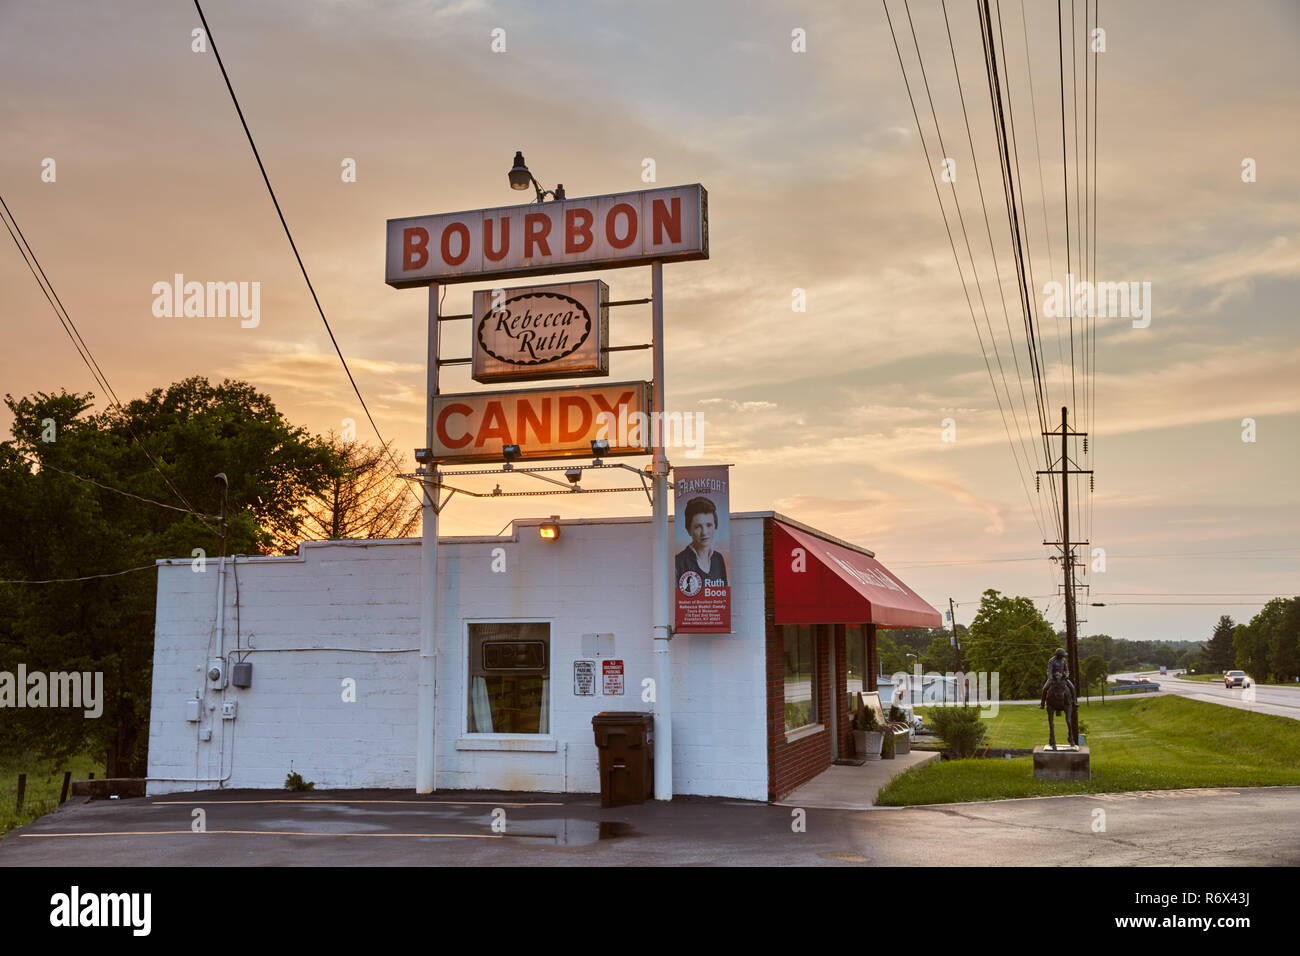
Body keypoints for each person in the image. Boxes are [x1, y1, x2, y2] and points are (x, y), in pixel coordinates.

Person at [675, 496, 728, 590]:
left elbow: (724, 591)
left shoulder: (718, 559)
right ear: (689, 530)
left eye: (709, 525)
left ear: (715, 526)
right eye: (698, 527)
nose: (704, 532)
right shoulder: (679, 562)